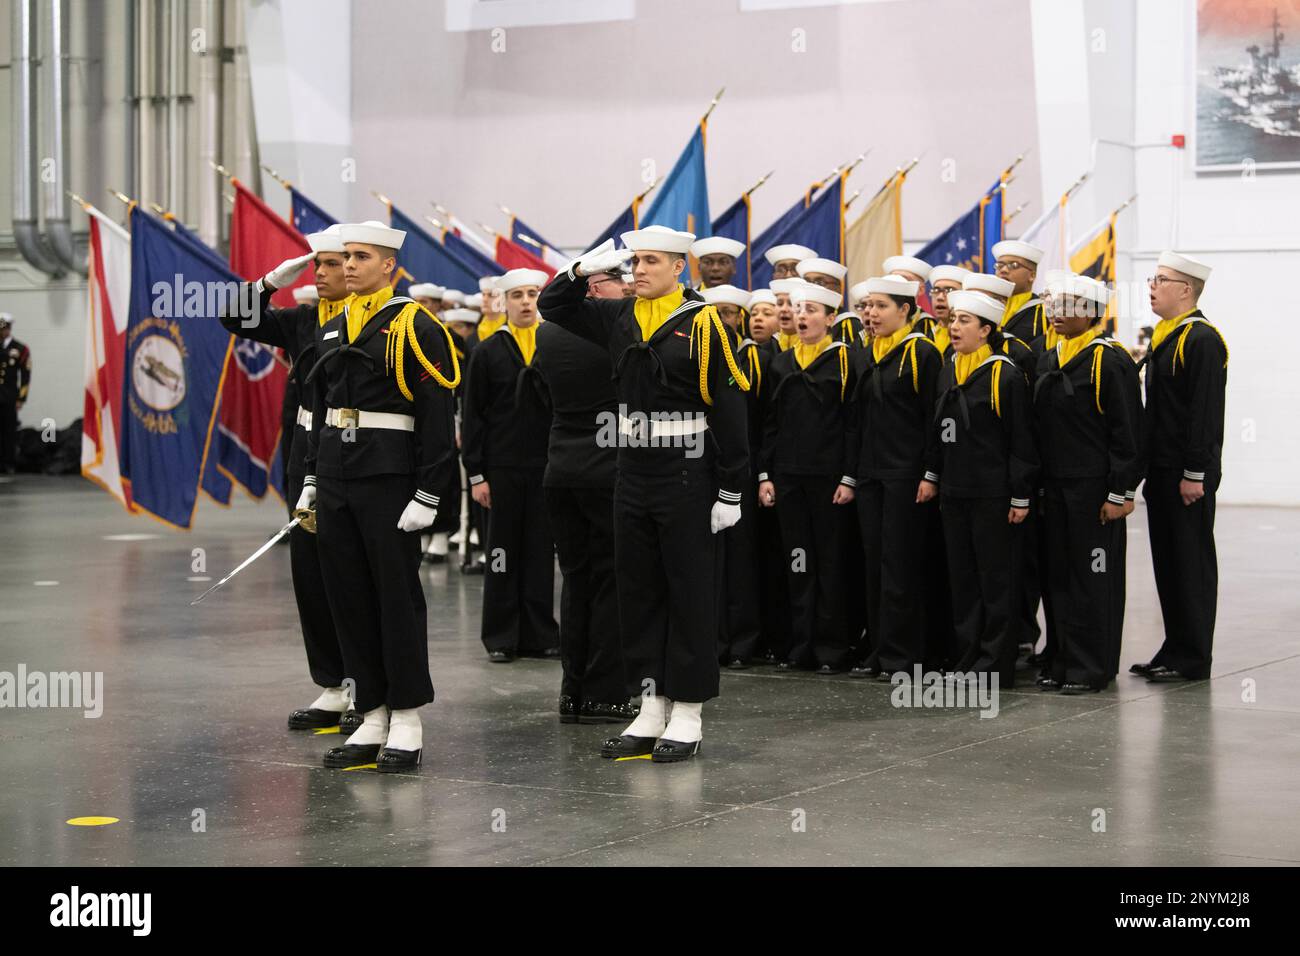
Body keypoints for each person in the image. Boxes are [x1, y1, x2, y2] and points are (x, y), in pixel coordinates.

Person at [537, 226, 751, 763]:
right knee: (639, 591)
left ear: (680, 267)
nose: (639, 271)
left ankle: (689, 711)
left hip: (686, 472)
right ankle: (650, 706)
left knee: (689, 593)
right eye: (634, 263)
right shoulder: (619, 316)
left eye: (652, 261)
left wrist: (730, 488)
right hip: (630, 468)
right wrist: (585, 267)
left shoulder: (705, 324)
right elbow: (554, 304)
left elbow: (729, 409)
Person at [300, 220, 461, 772]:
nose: (347, 265)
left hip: (390, 478)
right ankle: (370, 711)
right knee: (347, 597)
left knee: (395, 598)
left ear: (389, 265)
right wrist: (314, 479)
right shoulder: (334, 325)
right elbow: (320, 413)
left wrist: (429, 493)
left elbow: (438, 419)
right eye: (344, 256)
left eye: (360, 257)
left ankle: (408, 718)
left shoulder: (415, 325)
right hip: (338, 473)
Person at [219, 227, 360, 736]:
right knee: (311, 574)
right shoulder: (302, 320)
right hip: (304, 457)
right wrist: (271, 281)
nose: (319, 273)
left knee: (351, 576)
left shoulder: (375, 321)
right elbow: (234, 318)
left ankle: (364, 685)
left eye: (329, 264)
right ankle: (331, 683)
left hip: (350, 458)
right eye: (315, 264)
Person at [533, 262, 635, 724]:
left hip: (561, 468)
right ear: (596, 288)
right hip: (608, 468)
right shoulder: (613, 330)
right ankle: (605, 693)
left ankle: (572, 692)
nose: (628, 288)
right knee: (613, 582)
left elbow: (538, 398)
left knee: (576, 581)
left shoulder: (548, 335)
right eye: (620, 282)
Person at [920, 291, 1037, 689]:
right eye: (953, 319)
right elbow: (937, 429)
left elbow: (1021, 440)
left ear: (986, 330)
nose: (954, 327)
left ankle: (994, 664)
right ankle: (967, 656)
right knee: (964, 580)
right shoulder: (950, 367)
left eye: (965, 321)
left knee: (995, 581)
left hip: (993, 494)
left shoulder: (1003, 373)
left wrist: (1020, 496)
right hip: (955, 491)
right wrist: (932, 475)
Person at [1032, 275, 1139, 694]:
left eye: (1069, 305)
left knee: (1092, 577)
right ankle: (1061, 660)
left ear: (1093, 313)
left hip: (1093, 491)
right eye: (1055, 304)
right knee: (1058, 576)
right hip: (1055, 488)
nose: (1057, 313)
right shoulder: (1051, 356)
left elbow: (1128, 432)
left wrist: (1120, 492)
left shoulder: (1110, 361)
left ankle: (1091, 666)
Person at [1134, 251, 1227, 683]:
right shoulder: (1166, 335)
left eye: (1161, 280)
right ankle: (1174, 649)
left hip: (1185, 474)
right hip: (1163, 470)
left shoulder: (1202, 339)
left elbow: (1204, 413)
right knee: (1168, 564)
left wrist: (1196, 473)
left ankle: (1193, 657)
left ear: (1185, 289)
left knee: (1190, 565)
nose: (1151, 287)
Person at [758, 280, 857, 674]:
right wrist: (766, 475)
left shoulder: (846, 360)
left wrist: (849, 477)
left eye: (812, 310)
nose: (801, 316)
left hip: (829, 480)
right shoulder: (781, 362)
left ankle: (833, 648)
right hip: (790, 478)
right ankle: (802, 646)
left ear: (831, 318)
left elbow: (853, 424)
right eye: (799, 310)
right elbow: (770, 423)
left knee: (831, 564)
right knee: (797, 562)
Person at [462, 268, 559, 662]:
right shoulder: (488, 351)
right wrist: (477, 474)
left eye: (532, 293)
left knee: (538, 551)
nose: (525, 301)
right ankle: (501, 635)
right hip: (500, 469)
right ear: (504, 302)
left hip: (544, 468)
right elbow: (474, 417)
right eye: (517, 295)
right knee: (501, 553)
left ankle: (539, 633)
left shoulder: (553, 346)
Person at [850, 276, 943, 679]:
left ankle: (904, 655)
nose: (871, 313)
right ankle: (879, 648)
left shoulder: (922, 352)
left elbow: (933, 417)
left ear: (906, 310)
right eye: (868, 306)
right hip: (872, 474)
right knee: (873, 564)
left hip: (907, 475)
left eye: (881, 306)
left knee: (901, 565)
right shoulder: (868, 352)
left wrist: (929, 471)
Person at [702, 286, 765, 669]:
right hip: (707, 462)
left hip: (741, 464)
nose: (723, 320)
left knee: (741, 559)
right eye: (717, 313)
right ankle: (716, 637)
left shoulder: (748, 355)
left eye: (729, 313)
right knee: (713, 561)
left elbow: (755, 414)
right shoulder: (703, 352)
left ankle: (744, 639)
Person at [992, 240, 1048, 344]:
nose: (1003, 270)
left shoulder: (1044, 313)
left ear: (1032, 275)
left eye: (1014, 265)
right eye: (999, 265)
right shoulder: (987, 307)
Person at [0, 313, 31, 474]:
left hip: (9, 397)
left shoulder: (20, 349)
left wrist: (21, 398)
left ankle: (8, 463)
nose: (3, 331)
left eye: (5, 328)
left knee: (9, 431)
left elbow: (25, 376)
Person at [927, 265, 971, 357]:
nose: (939, 297)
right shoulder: (925, 334)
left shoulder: (971, 340)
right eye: (936, 290)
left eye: (949, 290)